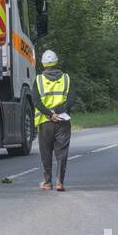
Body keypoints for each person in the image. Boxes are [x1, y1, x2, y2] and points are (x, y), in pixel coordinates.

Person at [34, 50, 72, 191]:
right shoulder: (66, 78)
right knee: (62, 152)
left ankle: (47, 182)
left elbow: (36, 101)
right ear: (56, 62)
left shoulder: (39, 80)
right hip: (62, 121)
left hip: (45, 122)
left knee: (46, 152)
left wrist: (49, 114)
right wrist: (58, 111)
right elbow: (71, 99)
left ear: (43, 64)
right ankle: (60, 182)